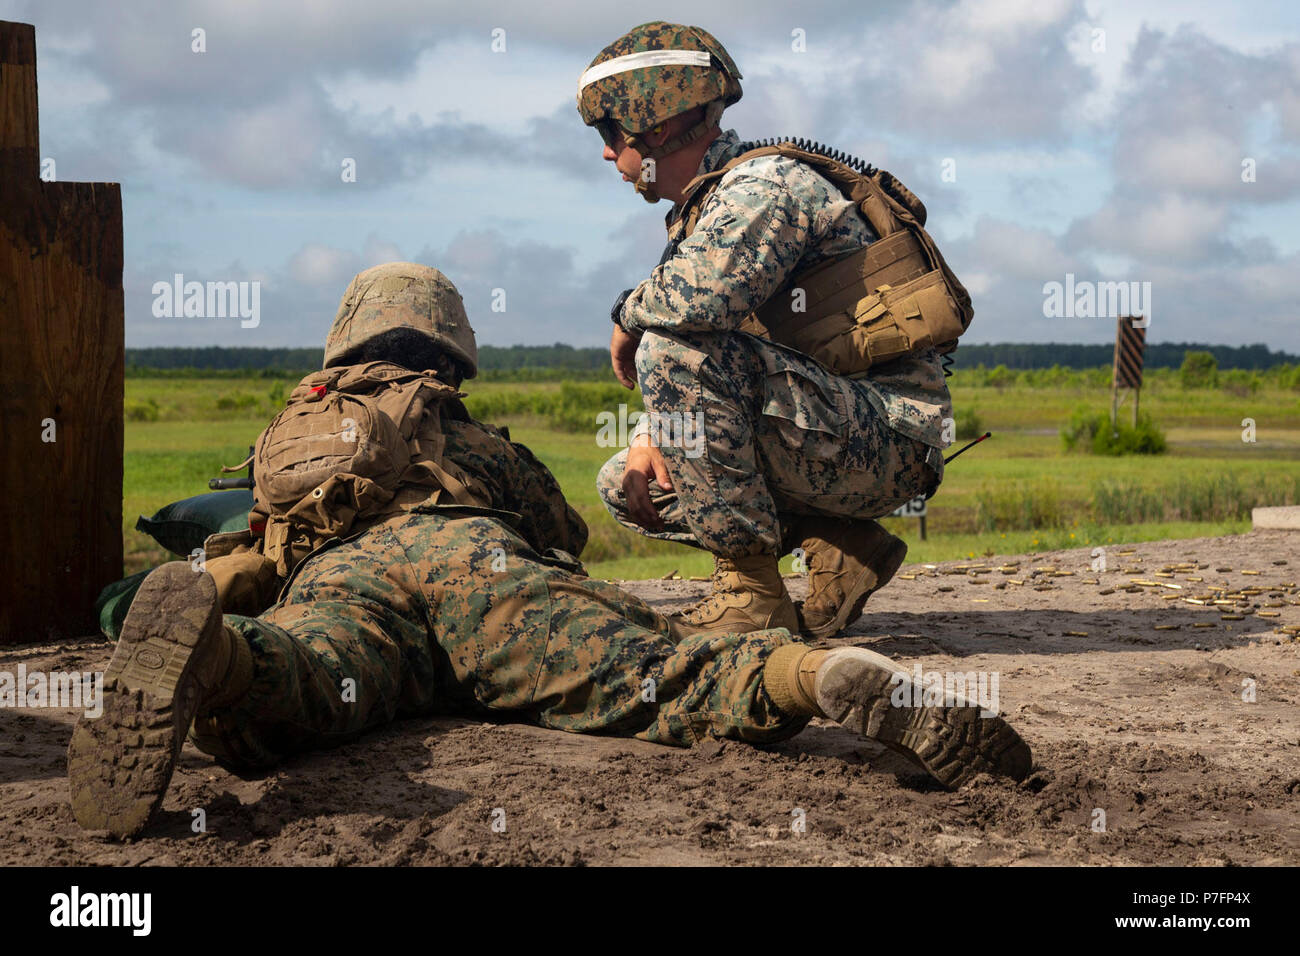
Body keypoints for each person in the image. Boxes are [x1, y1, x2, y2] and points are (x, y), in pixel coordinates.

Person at [68, 263, 1027, 840]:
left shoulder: (287, 434)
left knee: (311, 680)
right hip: (477, 566)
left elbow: (254, 540)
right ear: (453, 352)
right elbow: (558, 534)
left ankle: (224, 661)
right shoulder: (464, 432)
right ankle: (809, 677)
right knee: (651, 675)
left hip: (343, 583)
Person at [579, 22, 965, 640]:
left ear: (655, 128)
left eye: (608, 133)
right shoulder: (710, 204)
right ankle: (839, 543)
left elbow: (698, 303)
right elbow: (721, 335)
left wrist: (627, 316)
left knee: (669, 346)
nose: (605, 154)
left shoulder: (764, 187)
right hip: (829, 427)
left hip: (891, 437)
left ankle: (750, 595)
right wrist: (654, 432)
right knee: (627, 481)